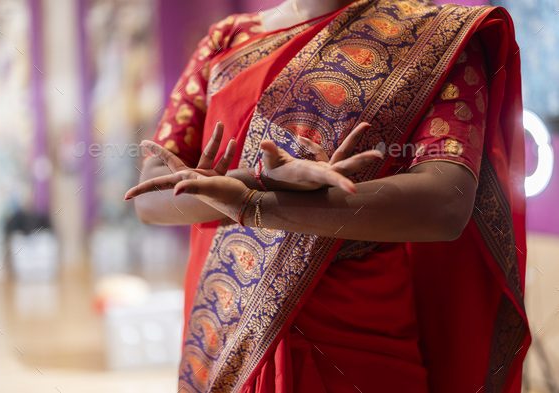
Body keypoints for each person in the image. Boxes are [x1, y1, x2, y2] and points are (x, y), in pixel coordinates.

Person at [125, 1, 530, 392]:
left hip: (354, 333)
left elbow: (444, 203)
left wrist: (255, 204)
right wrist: (256, 182)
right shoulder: (226, 40)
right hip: (226, 329)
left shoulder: (436, 38)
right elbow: (149, 197)